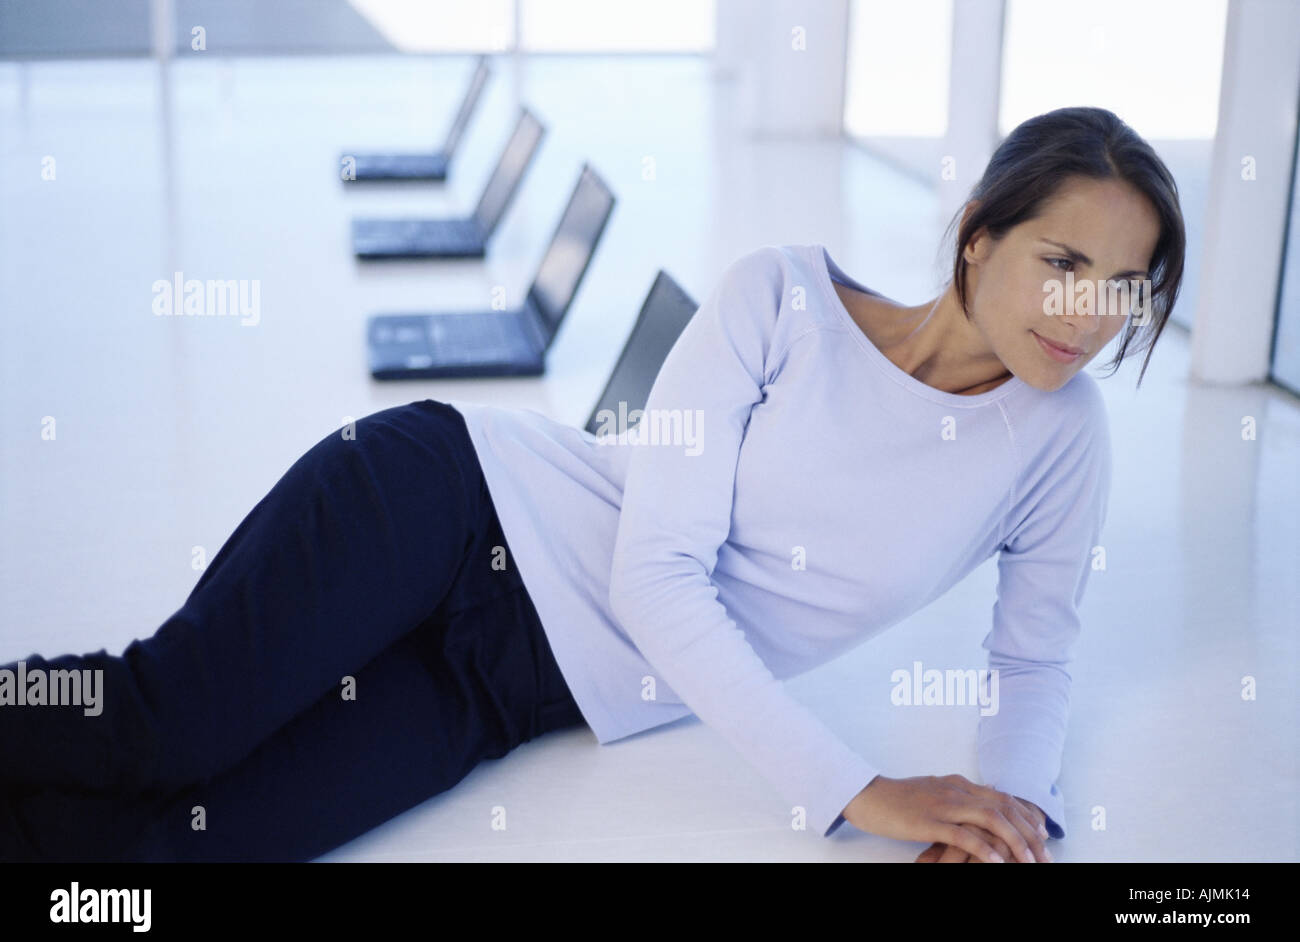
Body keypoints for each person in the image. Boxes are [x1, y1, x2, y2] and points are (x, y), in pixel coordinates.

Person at [0, 105, 1184, 863]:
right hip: (447, 506)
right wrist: (858, 789)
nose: (1087, 312)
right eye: (1062, 262)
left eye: (1120, 286)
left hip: (515, 688)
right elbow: (659, 577)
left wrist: (1002, 826)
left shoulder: (1061, 441)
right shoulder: (777, 298)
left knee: (184, 855)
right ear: (977, 232)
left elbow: (1032, 658)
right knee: (164, 721)